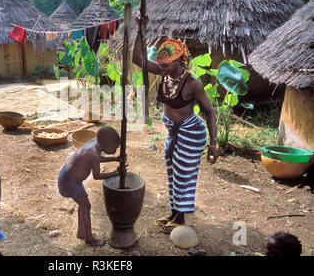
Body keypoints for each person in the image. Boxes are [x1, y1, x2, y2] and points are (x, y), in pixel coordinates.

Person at [132, 13, 219, 234]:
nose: (162, 69)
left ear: (180, 61)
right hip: (174, 133)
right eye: (160, 65)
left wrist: (213, 145)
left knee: (182, 174)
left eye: (167, 65)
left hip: (192, 133)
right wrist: (140, 30)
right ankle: (174, 214)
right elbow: (137, 59)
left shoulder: (193, 84)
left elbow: (209, 112)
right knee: (172, 170)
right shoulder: (164, 74)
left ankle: (180, 220)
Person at [58, 126, 123, 246]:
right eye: (114, 148)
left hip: (70, 176)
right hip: (69, 181)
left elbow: (98, 159)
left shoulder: (95, 143)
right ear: (105, 145)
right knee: (85, 206)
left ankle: (81, 232)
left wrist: (115, 159)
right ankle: (89, 239)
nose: (115, 150)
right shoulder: (93, 153)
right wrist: (116, 172)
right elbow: (97, 176)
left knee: (83, 205)